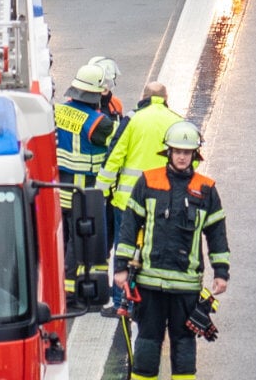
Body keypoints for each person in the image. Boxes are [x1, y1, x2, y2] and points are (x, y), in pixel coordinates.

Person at [114, 121, 229, 380]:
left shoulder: (207, 188)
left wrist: (221, 272)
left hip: (186, 286)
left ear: (194, 155)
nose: (181, 156)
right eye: (177, 150)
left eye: (186, 152)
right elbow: (130, 226)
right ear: (168, 151)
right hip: (150, 283)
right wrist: (121, 266)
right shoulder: (148, 181)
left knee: (184, 344)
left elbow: (216, 233)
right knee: (147, 342)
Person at [95, 82, 186, 309]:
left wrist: (102, 191)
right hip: (164, 201)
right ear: (166, 98)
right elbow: (189, 160)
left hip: (127, 201)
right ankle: (152, 298)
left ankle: (121, 301)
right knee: (159, 248)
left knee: (123, 246)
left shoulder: (132, 120)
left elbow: (114, 156)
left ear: (143, 97)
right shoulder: (177, 122)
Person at [54, 63, 115, 305]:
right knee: (77, 244)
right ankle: (71, 292)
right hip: (83, 194)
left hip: (58, 189)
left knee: (61, 239)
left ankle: (57, 288)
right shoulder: (99, 123)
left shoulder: (57, 111)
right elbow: (118, 143)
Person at [86, 55, 131, 316]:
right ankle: (98, 292)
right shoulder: (85, 109)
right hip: (95, 186)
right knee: (98, 244)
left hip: (111, 187)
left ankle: (112, 294)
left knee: (113, 241)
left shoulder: (115, 104)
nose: (108, 90)